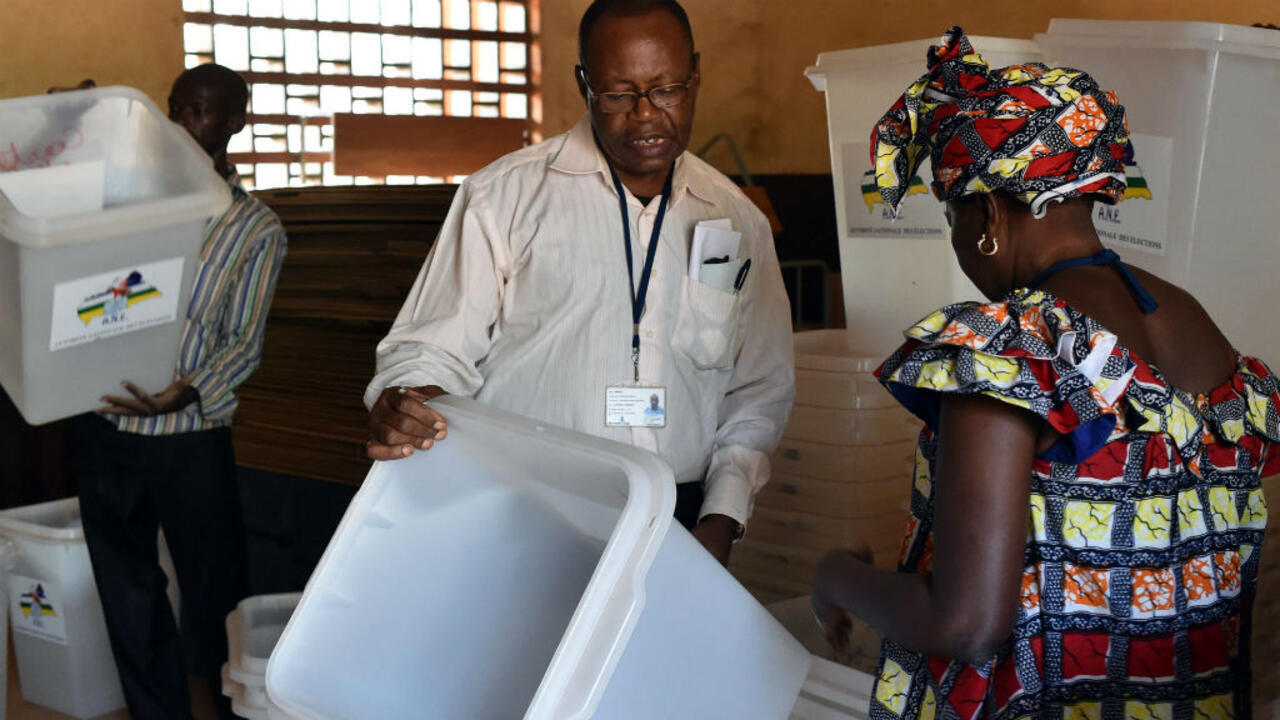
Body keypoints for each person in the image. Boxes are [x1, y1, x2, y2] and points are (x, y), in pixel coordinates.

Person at [812, 28, 1275, 720]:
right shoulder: (1193, 324)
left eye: (953, 217)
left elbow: (966, 625)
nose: (960, 242)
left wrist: (837, 578)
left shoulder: (1007, 349)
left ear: (989, 215)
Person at [365, 0, 794, 564]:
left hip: (681, 515)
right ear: (583, 83)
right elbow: (428, 350)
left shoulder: (737, 219)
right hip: (527, 508)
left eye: (667, 90)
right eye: (618, 94)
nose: (645, 116)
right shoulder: (503, 198)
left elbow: (758, 387)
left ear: (695, 74)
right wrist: (409, 399)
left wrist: (722, 516)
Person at [69, 63, 287, 719]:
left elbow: (243, 343)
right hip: (106, 430)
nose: (185, 124)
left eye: (201, 111)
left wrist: (185, 393)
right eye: (177, 108)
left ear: (235, 123)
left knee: (217, 596)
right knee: (127, 591)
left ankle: (230, 713)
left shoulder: (256, 230)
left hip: (189, 439)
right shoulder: (129, 208)